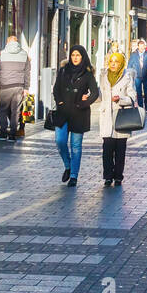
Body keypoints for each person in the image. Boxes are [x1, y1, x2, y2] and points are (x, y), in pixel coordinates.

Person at [52, 46, 100, 187]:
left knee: (76, 146)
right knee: (60, 141)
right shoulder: (63, 70)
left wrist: (85, 103)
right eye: (73, 55)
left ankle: (73, 176)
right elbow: (56, 89)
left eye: (78, 55)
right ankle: (68, 165)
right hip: (63, 111)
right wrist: (59, 101)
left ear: (83, 56)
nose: (75, 57)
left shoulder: (87, 73)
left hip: (79, 113)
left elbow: (95, 93)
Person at [97, 50, 140, 187]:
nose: (113, 64)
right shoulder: (103, 76)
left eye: (116, 62)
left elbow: (133, 97)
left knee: (120, 150)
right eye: (111, 61)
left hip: (121, 117)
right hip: (106, 117)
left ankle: (118, 177)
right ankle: (108, 176)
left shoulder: (127, 77)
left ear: (121, 63)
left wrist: (121, 99)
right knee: (107, 149)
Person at [0, 34, 31, 142]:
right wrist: (26, 87)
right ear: (17, 43)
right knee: (16, 111)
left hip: (5, 87)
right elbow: (27, 73)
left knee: (3, 110)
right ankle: (13, 134)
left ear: (7, 43)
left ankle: (3, 133)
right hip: (19, 87)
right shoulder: (24, 54)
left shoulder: (2, 53)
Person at [130, 40, 147, 112]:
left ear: (145, 46)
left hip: (146, 75)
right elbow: (129, 65)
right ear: (138, 47)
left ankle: (146, 103)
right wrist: (130, 74)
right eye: (140, 47)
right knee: (139, 92)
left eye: (143, 46)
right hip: (137, 76)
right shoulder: (134, 55)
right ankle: (141, 107)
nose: (142, 48)